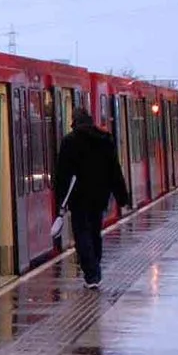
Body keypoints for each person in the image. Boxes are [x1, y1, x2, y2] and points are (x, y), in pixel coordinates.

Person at [49, 106, 132, 289]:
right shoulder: (105, 140)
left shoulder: (69, 141)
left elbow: (62, 175)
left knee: (82, 234)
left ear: (74, 121)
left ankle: (92, 273)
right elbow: (114, 171)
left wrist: (60, 202)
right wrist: (122, 197)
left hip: (78, 197)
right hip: (100, 196)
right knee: (95, 232)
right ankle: (95, 268)